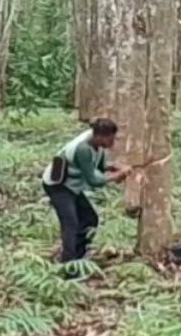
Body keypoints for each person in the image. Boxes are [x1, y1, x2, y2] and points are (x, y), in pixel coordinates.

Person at [40, 118, 129, 276]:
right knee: (71, 224)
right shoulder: (83, 148)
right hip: (58, 186)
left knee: (90, 219)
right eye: (111, 138)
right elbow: (94, 180)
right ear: (101, 136)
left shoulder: (96, 144)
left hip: (71, 186)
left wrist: (113, 167)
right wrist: (116, 176)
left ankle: (78, 257)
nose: (113, 142)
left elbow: (99, 167)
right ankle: (68, 267)